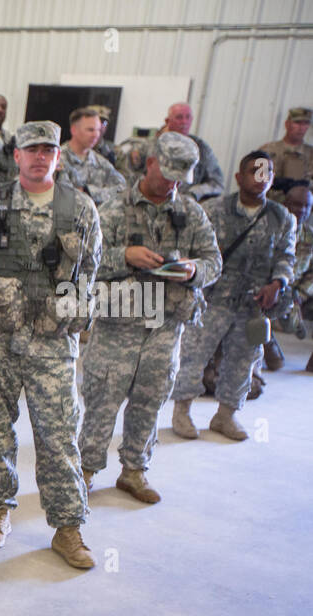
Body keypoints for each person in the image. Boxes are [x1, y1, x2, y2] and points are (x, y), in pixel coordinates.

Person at [0, 120, 103, 569]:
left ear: (58, 156)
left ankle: (67, 528)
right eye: (31, 149)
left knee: (59, 435)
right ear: (16, 155)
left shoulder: (80, 209)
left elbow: (91, 274)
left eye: (48, 149)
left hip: (52, 346)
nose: (40, 156)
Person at [78, 132, 221, 504]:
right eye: (167, 172)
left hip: (165, 326)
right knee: (103, 399)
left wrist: (192, 270)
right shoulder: (112, 207)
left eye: (180, 177)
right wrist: (125, 255)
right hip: (119, 323)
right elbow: (82, 262)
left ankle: (134, 471)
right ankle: (86, 471)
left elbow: (214, 262)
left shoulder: (190, 212)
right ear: (151, 162)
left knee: (150, 399)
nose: (172, 183)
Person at [170, 151, 297, 441]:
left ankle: (226, 415)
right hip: (213, 300)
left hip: (253, 305)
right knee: (193, 356)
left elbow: (286, 257)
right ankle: (182, 411)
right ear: (239, 177)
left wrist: (278, 283)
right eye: (255, 171)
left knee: (243, 361)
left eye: (268, 172)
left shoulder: (282, 218)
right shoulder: (213, 210)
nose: (262, 178)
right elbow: (194, 250)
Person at [115, 102, 225, 203]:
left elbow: (217, 183)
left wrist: (195, 193)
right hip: (150, 200)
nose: (184, 122)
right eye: (179, 117)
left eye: (188, 117)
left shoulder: (200, 149)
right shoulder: (147, 146)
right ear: (168, 121)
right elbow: (126, 176)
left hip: (185, 203)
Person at [268, 185, 312, 372]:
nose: (301, 210)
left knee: (292, 321)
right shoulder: (270, 228)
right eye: (296, 205)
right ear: (285, 204)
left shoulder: (309, 236)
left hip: (296, 291)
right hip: (269, 288)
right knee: (275, 364)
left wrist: (301, 294)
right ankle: (267, 343)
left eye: (306, 206)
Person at [57, 107, 126, 206]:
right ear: (74, 130)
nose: (96, 135)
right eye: (90, 130)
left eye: (98, 130)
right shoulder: (57, 159)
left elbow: (122, 189)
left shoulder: (101, 162)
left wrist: (90, 191)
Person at [258, 106, 313, 202]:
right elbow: (257, 183)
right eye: (297, 123)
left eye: (306, 123)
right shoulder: (267, 150)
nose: (301, 128)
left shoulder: (311, 154)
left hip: (301, 209)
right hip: (271, 205)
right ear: (287, 124)